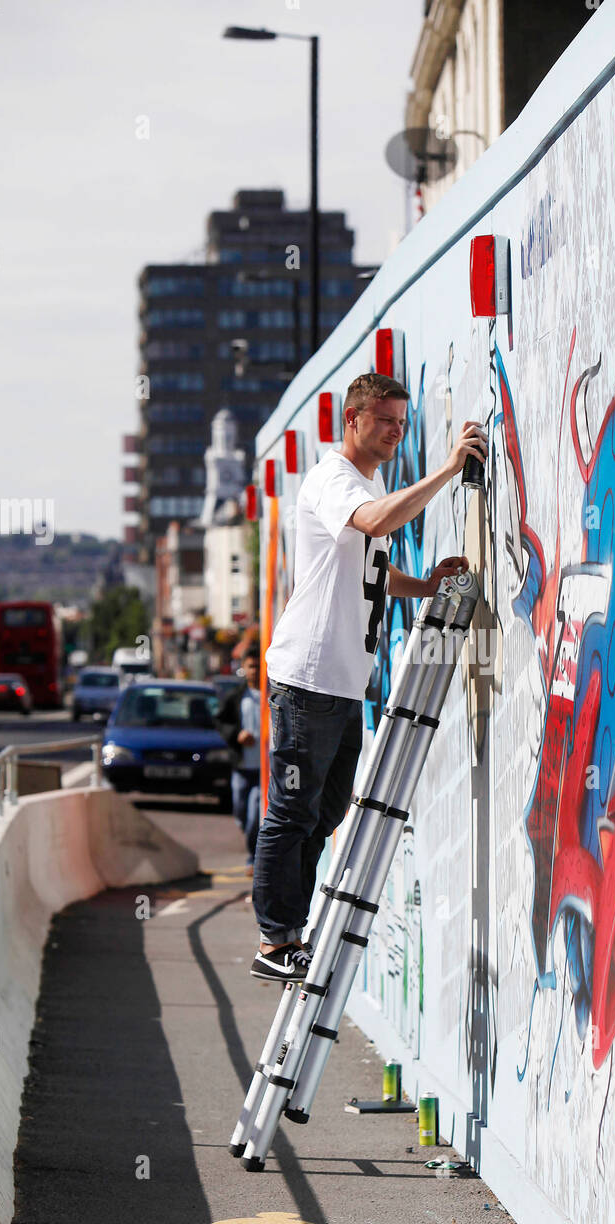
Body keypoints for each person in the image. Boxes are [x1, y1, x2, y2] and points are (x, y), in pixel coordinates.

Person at [249, 371, 487, 980]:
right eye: (384, 421)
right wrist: (448, 471)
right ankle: (275, 941)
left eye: (401, 424)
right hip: (308, 679)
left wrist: (427, 584)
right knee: (293, 813)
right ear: (352, 420)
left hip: (343, 684)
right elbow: (377, 524)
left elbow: (374, 570)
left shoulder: (367, 485)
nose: (394, 432)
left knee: (325, 816)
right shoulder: (335, 482)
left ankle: (289, 932)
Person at [217, 645, 262, 869]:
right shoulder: (237, 696)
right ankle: (251, 845)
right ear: (244, 668)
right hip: (242, 766)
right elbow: (220, 722)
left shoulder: (271, 694)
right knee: (240, 812)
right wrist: (237, 735)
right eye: (251, 666)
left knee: (255, 814)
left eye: (258, 666)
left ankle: (253, 858)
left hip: (264, 769)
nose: (254, 671)